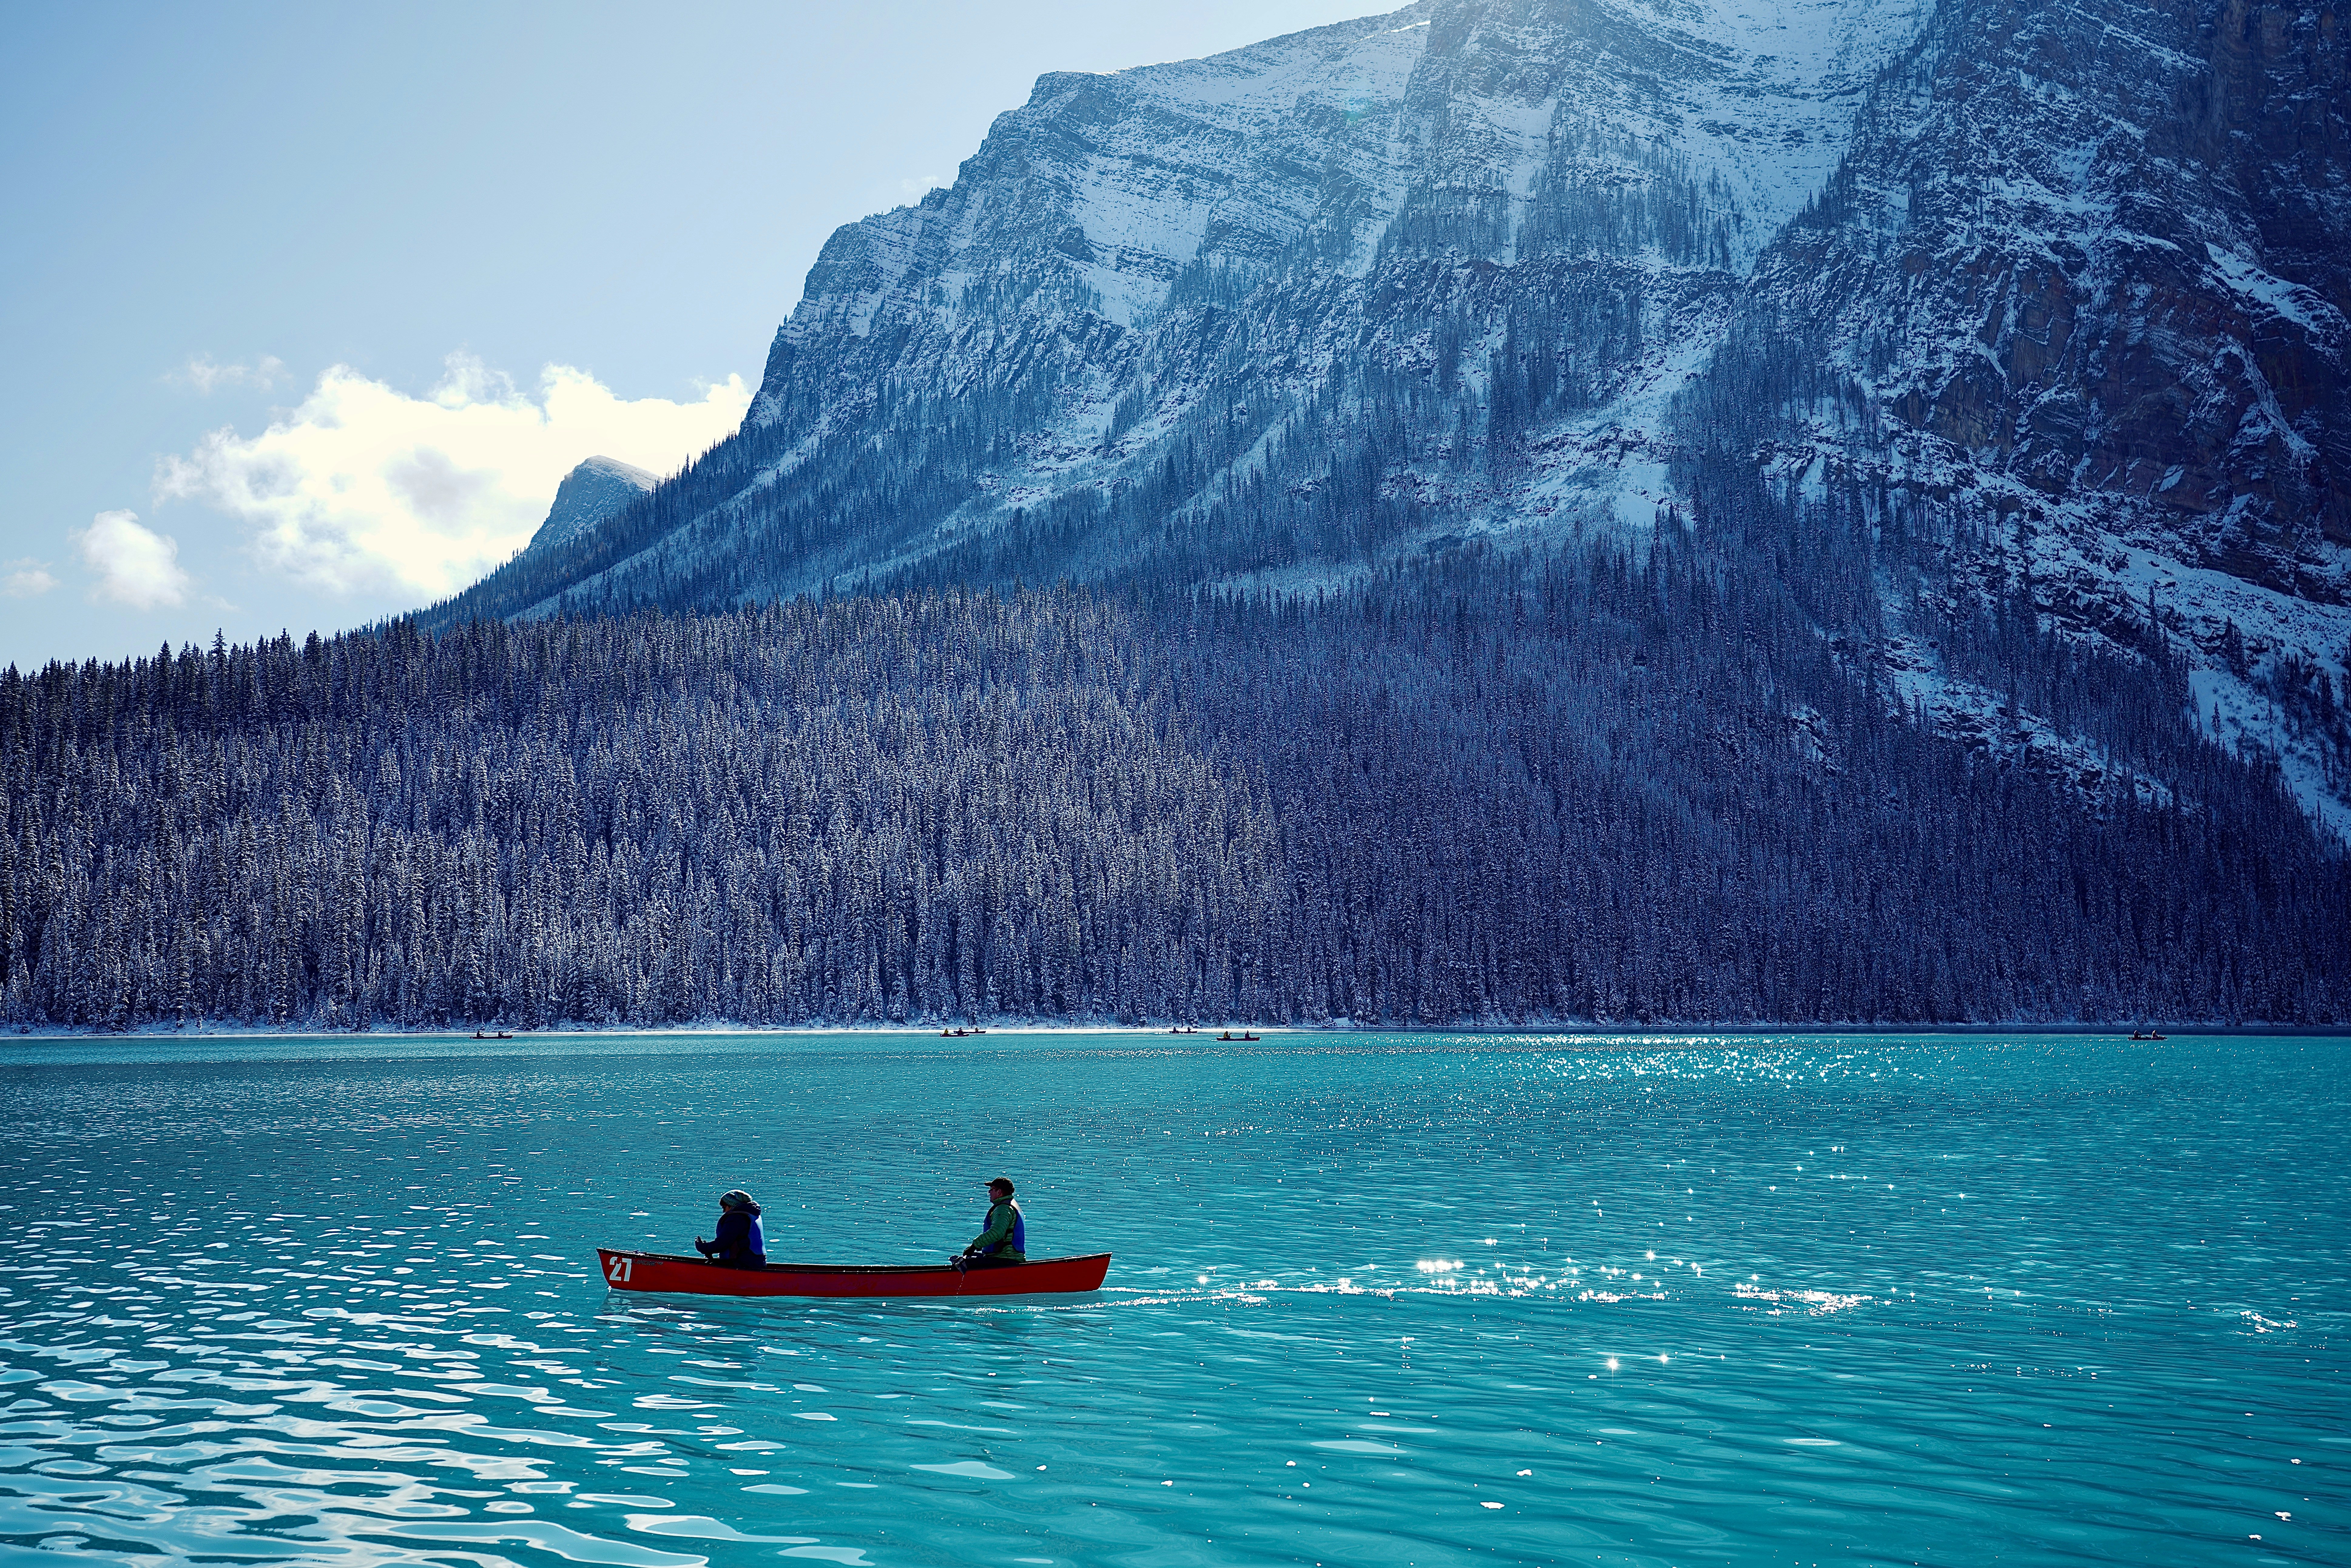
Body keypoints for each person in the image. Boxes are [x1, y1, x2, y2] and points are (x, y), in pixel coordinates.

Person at [954, 1177, 1027, 1269]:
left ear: (999, 1192)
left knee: (963, 1263)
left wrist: (974, 1246)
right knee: (972, 1258)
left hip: (1005, 1260)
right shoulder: (1010, 1206)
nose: (989, 1192)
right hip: (1009, 1259)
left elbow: (997, 1233)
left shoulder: (1003, 1209)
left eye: (992, 1189)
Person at [694, 1189, 766, 1268]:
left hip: (743, 1264)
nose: (723, 1211)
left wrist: (702, 1247)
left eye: (724, 1207)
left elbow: (722, 1244)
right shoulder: (752, 1214)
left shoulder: (736, 1218)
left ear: (732, 1205)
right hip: (757, 1263)